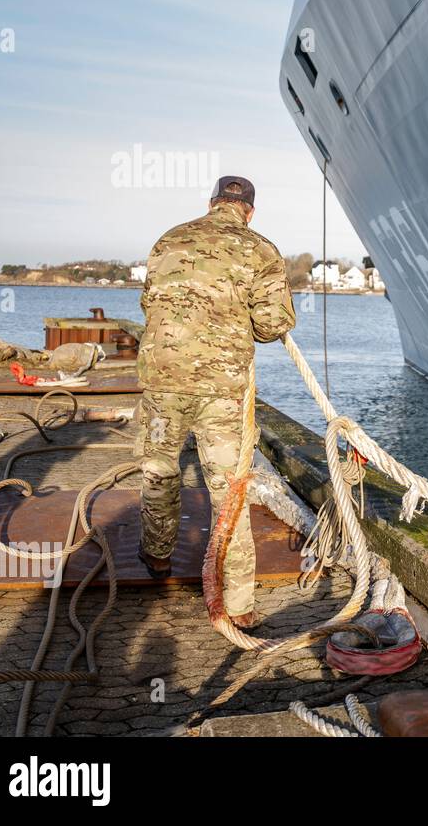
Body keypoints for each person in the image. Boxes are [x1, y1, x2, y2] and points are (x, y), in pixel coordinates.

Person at [135, 176, 296, 628]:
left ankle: (158, 558)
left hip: (164, 381)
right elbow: (270, 325)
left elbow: (150, 303)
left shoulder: (169, 239)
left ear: (211, 204)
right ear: (249, 211)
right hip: (222, 390)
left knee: (159, 471)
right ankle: (239, 603)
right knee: (229, 492)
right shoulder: (260, 249)